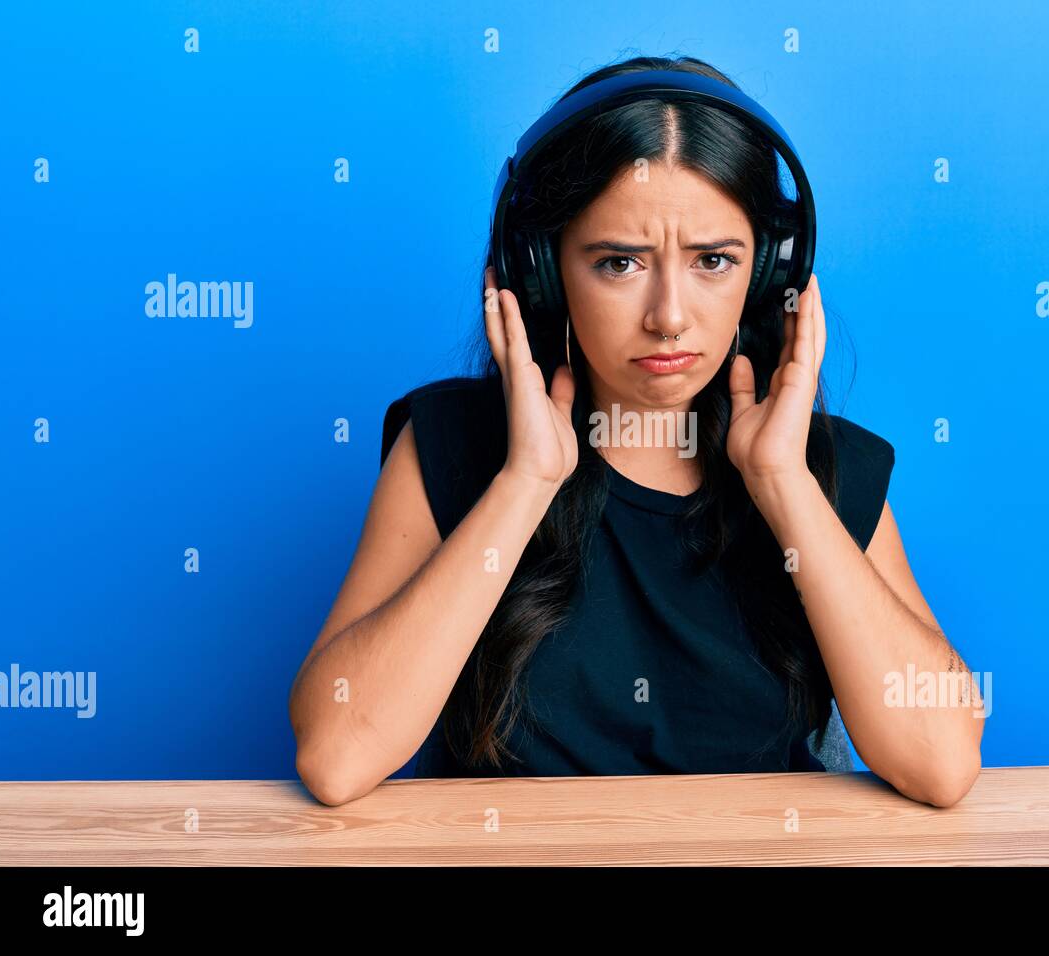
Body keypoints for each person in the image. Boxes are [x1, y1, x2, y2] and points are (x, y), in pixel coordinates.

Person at [289, 55, 983, 808]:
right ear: (541, 272)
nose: (670, 316)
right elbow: (336, 756)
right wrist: (525, 483)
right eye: (620, 262)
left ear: (769, 273)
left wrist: (784, 484)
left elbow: (941, 763)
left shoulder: (820, 465)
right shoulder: (453, 443)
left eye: (714, 260)